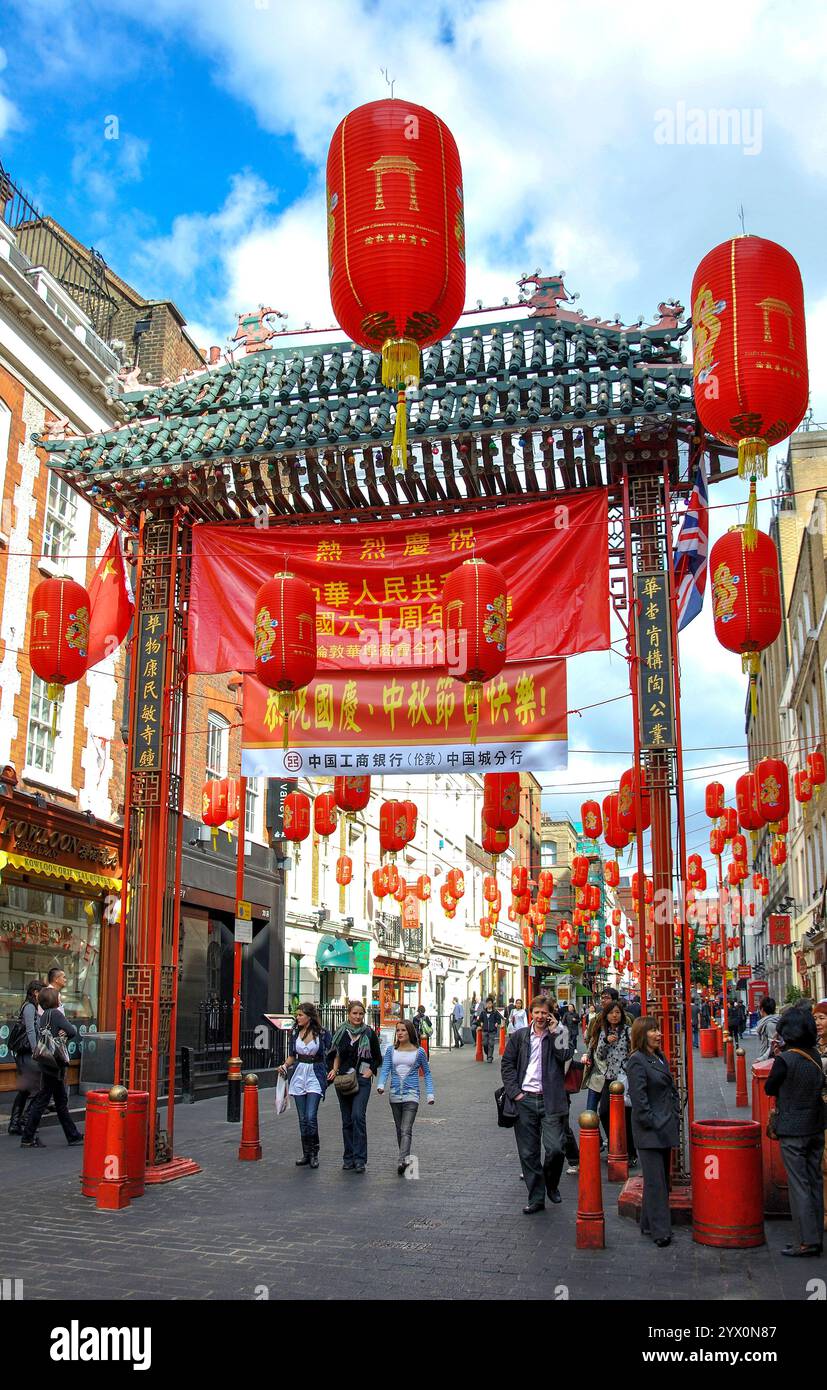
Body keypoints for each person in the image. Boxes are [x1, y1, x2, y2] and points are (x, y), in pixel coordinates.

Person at [501, 995, 574, 1213]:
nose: (541, 1016)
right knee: (528, 1153)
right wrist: (515, 1093)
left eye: (545, 1013)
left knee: (555, 1149)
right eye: (537, 1012)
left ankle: (551, 1185)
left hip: (551, 1100)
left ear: (551, 1014)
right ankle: (536, 1198)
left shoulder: (558, 1033)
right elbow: (507, 1064)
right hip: (525, 1100)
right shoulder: (520, 1036)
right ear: (531, 1013)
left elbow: (565, 1054)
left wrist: (556, 1030)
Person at [765, 1009, 825, 1257]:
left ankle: (805, 1241)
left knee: (798, 1184)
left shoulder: (786, 1060)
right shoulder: (813, 1055)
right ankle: (816, 1236)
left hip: (792, 1128)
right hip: (816, 1125)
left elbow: (770, 1087)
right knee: (815, 1181)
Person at [625, 1017, 682, 1247]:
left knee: (658, 1179)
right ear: (642, 1034)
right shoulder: (637, 1061)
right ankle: (661, 1231)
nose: (659, 1034)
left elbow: (668, 1087)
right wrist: (650, 1121)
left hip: (665, 1124)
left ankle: (649, 1223)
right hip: (650, 1130)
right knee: (656, 1182)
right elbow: (639, 1098)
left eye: (658, 1029)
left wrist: (675, 1108)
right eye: (653, 1030)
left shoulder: (659, 1057)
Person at [20, 987, 83, 1148]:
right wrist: (65, 1033)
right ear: (54, 999)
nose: (60, 998)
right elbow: (72, 1030)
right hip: (54, 1064)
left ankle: (73, 1135)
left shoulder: (44, 1015)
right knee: (43, 1100)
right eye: (58, 996)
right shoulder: (56, 1014)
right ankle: (27, 1137)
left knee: (59, 1100)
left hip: (47, 1062)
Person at [327, 1000, 382, 1173]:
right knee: (347, 1119)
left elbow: (377, 1057)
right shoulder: (341, 1032)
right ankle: (348, 1157)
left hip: (362, 1080)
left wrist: (370, 1071)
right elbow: (335, 1054)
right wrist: (334, 1070)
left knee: (358, 1116)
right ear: (348, 1014)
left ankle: (360, 1159)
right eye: (354, 1013)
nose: (357, 1017)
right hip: (343, 1079)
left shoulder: (369, 1033)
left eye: (360, 1014)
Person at [376, 1019, 435, 1174]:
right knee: (399, 1129)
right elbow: (385, 1069)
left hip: (412, 1095)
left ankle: (401, 1160)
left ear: (410, 1032)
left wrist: (430, 1093)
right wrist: (381, 1084)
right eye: (398, 1030)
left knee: (406, 1128)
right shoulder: (390, 1051)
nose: (400, 1033)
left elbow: (427, 1073)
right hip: (394, 1095)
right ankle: (406, 1157)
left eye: (403, 1030)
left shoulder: (419, 1052)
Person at [278, 1002, 332, 1169]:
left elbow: (334, 1051)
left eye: (300, 1015)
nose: (298, 1017)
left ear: (309, 1017)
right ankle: (306, 1153)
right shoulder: (295, 1033)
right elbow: (292, 1055)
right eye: (297, 1015)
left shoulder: (322, 1034)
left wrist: (334, 1070)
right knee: (302, 1119)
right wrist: (285, 1066)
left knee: (310, 1116)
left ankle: (315, 1153)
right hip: (299, 1075)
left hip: (315, 1074)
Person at [594, 1001, 638, 1166]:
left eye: (617, 1012)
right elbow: (600, 1055)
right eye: (611, 1013)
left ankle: (631, 1153)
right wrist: (606, 1041)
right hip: (609, 1078)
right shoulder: (603, 1033)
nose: (614, 1015)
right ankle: (614, 1144)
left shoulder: (628, 1031)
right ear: (606, 1015)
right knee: (604, 1112)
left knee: (626, 1117)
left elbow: (635, 1051)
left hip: (625, 1079)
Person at [8, 980, 43, 1135]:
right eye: (41, 992)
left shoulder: (32, 1007)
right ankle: (20, 1121)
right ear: (35, 992)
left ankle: (17, 1123)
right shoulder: (29, 1007)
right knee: (35, 1088)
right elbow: (30, 1030)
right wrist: (36, 1050)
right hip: (27, 1053)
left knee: (27, 1089)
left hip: (28, 1053)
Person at [813, 1000, 827, 1233]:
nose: (818, 1023)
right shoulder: (815, 1045)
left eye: (822, 1018)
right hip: (818, 1112)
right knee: (822, 1166)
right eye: (815, 1018)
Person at [478, 997, 503, 1063]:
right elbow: (480, 1019)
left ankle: (490, 1057)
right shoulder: (483, 1012)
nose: (489, 1005)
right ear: (486, 1004)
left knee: (491, 1044)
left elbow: (498, 1019)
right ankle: (487, 1053)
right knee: (485, 1043)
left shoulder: (495, 1012)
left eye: (490, 1003)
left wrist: (497, 1023)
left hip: (492, 1030)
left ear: (492, 1004)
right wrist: (481, 1023)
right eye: (487, 1003)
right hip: (485, 1030)